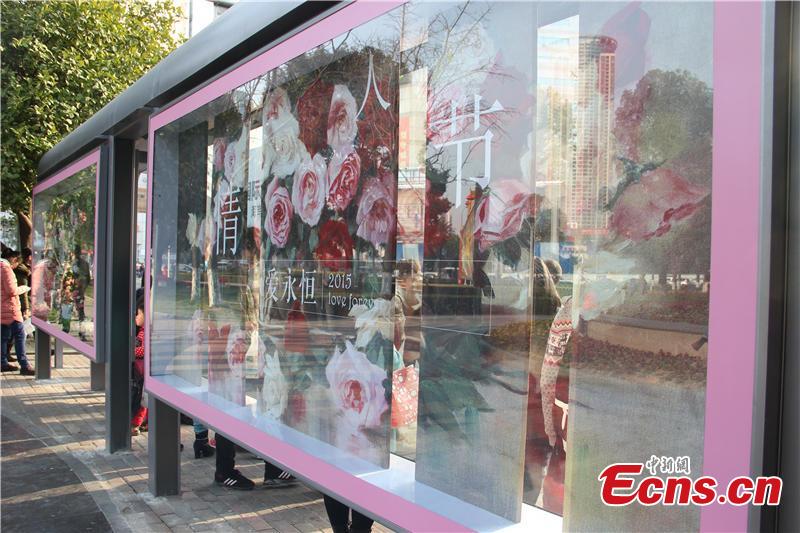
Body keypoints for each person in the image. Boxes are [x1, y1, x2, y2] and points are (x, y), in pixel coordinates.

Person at [1, 249, 34, 375]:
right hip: (10, 309)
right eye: (16, 264)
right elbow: (11, 291)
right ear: (14, 260)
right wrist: (24, 288)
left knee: (3, 336)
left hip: (2, 308)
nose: (15, 267)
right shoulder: (6, 269)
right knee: (20, 335)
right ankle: (24, 365)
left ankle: (2, 363)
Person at [131, 295, 148, 435]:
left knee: (141, 399)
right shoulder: (142, 331)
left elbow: (143, 350)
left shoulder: (145, 332)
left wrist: (131, 351)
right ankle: (143, 423)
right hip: (139, 370)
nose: (136, 316)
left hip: (142, 371)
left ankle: (135, 425)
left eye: (138, 313)